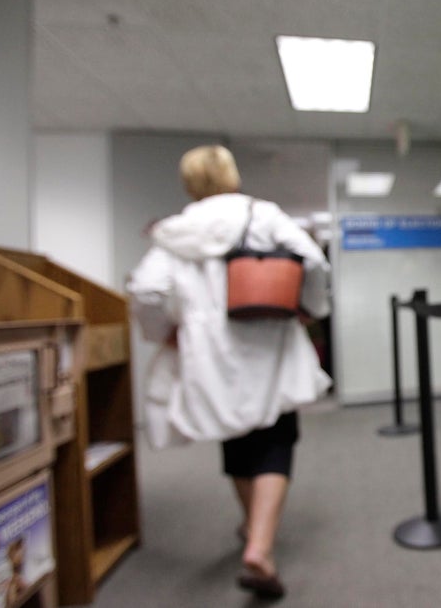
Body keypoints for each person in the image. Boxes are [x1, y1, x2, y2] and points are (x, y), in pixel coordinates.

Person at [127, 144, 331, 600]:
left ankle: (254, 533)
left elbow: (146, 289)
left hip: (209, 354)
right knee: (276, 438)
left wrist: (166, 332)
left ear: (189, 183)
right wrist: (309, 308)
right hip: (269, 343)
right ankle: (259, 545)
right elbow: (314, 262)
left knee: (237, 439)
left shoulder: (177, 232)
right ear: (233, 176)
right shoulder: (264, 216)